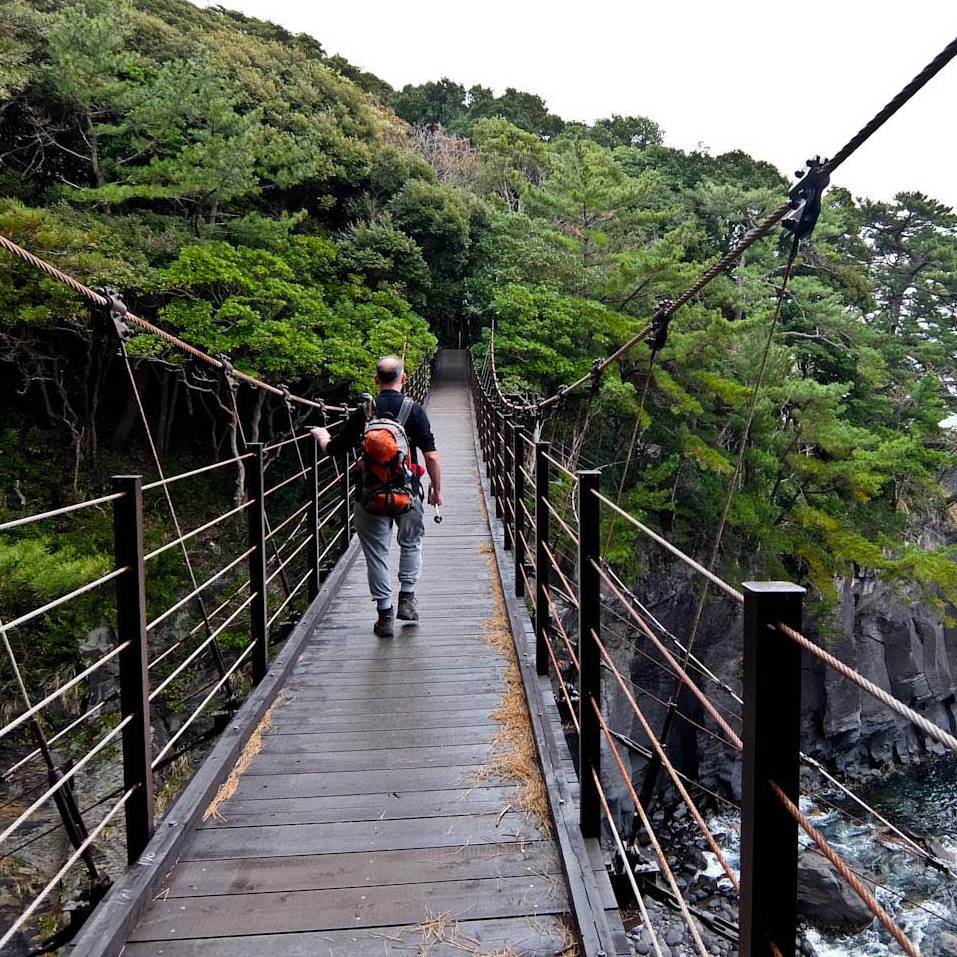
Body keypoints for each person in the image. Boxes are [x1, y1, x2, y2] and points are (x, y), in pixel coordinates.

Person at [311, 355, 442, 637]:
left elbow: (334, 449)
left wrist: (322, 436)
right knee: (411, 542)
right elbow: (431, 455)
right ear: (403, 379)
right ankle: (407, 598)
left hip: (370, 495)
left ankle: (385, 616)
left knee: (376, 554)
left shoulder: (364, 412)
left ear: (375, 379)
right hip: (408, 494)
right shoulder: (414, 410)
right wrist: (437, 490)